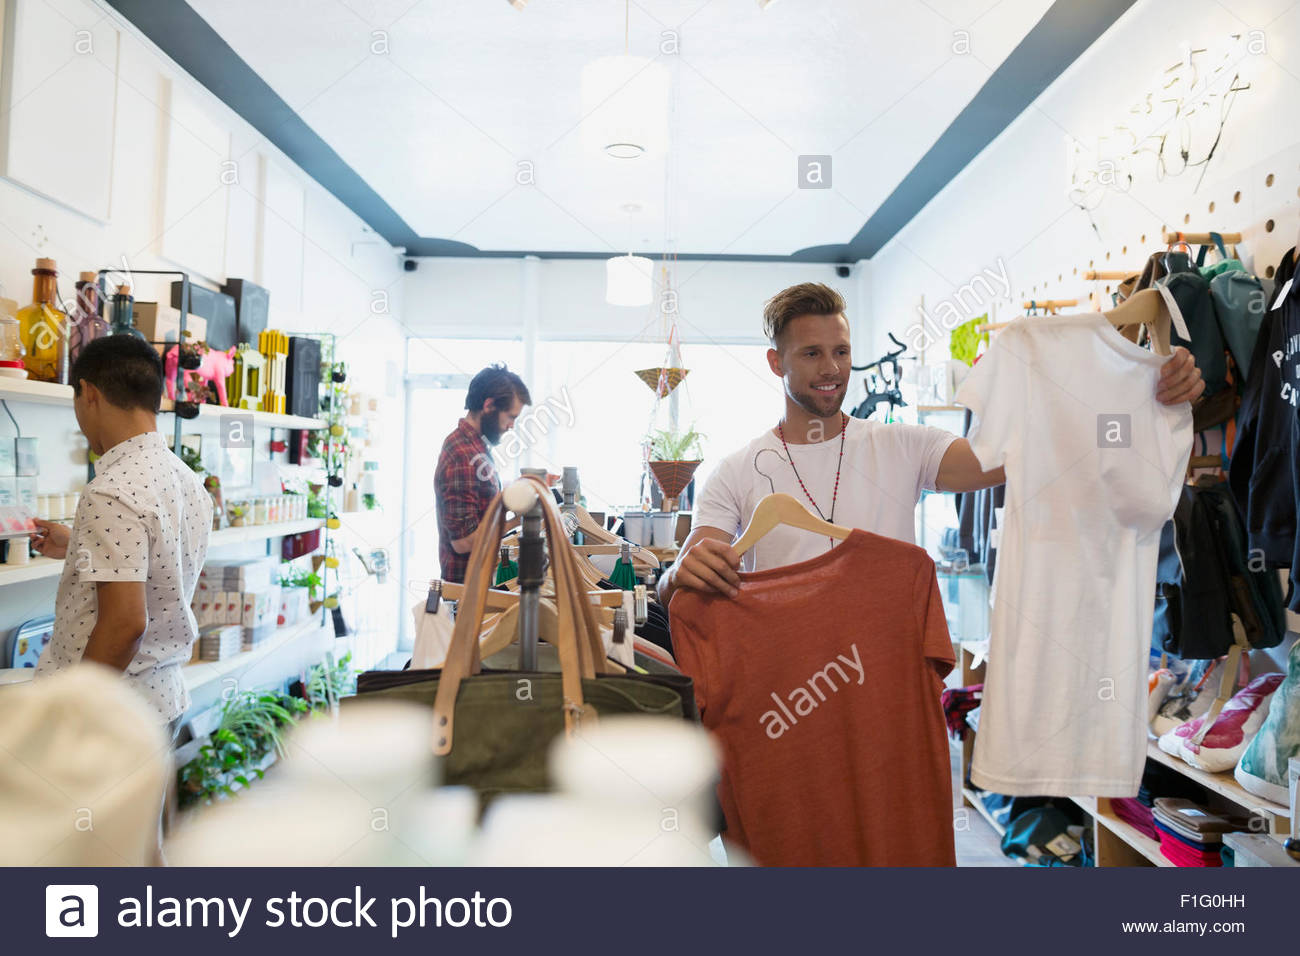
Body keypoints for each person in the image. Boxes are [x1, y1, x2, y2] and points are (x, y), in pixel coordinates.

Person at [657, 281, 1205, 604]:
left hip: (886, 676)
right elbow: (677, 582)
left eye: (841, 352)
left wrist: (1144, 395)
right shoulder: (737, 470)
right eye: (811, 354)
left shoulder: (902, 446)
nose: (832, 369)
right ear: (776, 362)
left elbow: (1015, 455)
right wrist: (679, 574)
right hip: (785, 687)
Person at [31, 335, 213, 728]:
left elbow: (125, 624)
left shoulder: (111, 491)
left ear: (88, 393)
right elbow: (156, 566)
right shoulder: (186, 481)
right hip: (160, 703)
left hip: (108, 718)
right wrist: (77, 544)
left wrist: (70, 714)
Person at [435, 364, 531, 583]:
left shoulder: (475, 447)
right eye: (510, 416)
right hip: (467, 591)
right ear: (489, 405)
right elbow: (464, 542)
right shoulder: (463, 453)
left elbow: (480, 506)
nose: (511, 426)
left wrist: (516, 492)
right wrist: (517, 521)